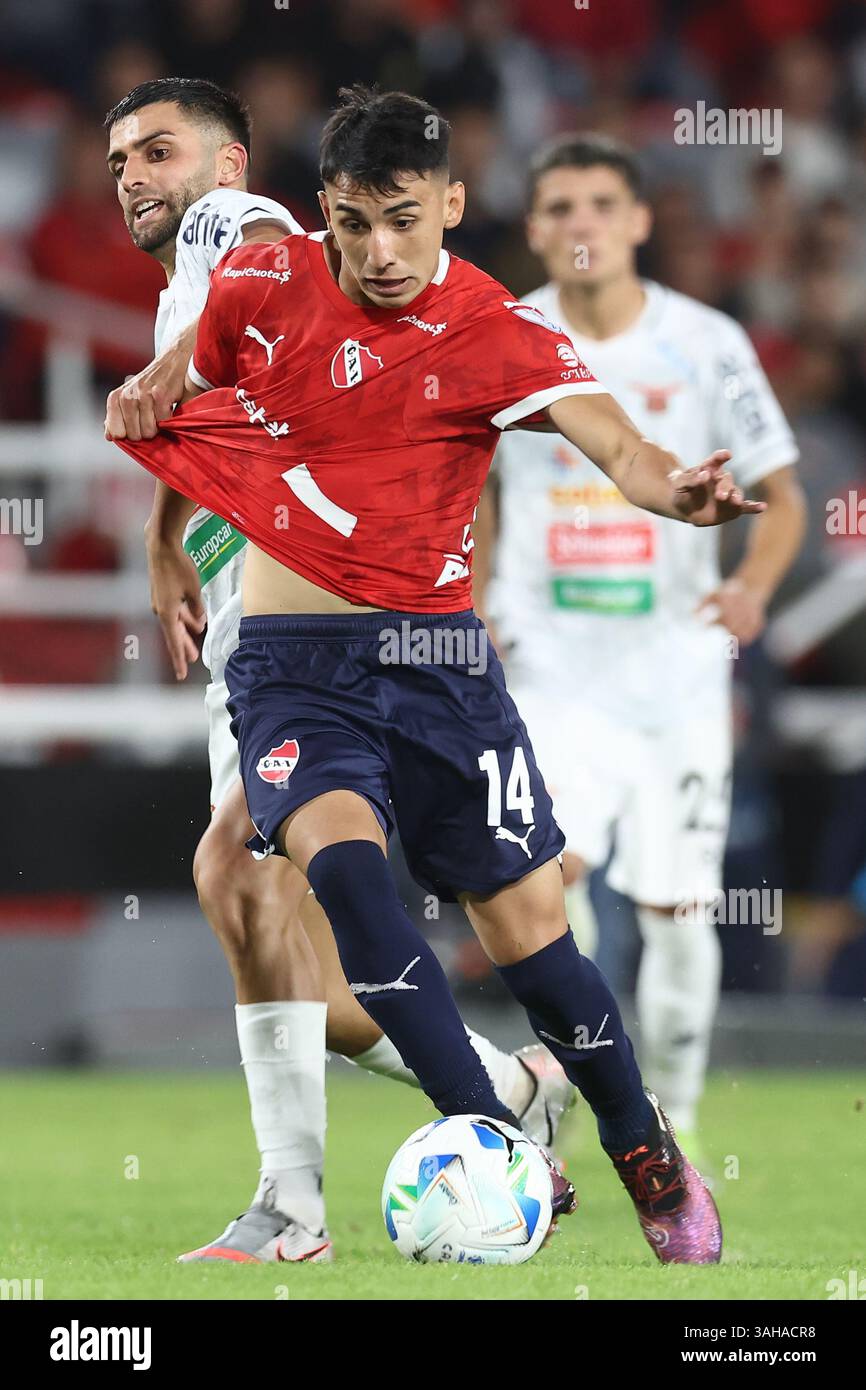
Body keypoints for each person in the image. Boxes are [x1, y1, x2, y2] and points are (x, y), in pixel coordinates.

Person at [111, 86, 771, 1263]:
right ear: (322, 213)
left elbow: (620, 449)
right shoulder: (261, 288)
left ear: (453, 206)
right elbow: (206, 400)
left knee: (538, 951)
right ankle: (482, 1132)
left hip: (436, 665)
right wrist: (166, 535)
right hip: (293, 667)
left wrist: (681, 492)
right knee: (352, 888)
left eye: (404, 220)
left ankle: (638, 1145)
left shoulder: (497, 331)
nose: (379, 252)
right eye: (355, 222)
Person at [104, 76, 571, 1266]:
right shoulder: (192, 308)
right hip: (256, 629)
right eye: (118, 161)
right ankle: (504, 1090)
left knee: (240, 875)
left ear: (227, 167)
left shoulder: (240, 231)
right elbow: (211, 384)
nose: (134, 176)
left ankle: (292, 1209)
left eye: (161, 151)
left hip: (312, 636)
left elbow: (267, 244)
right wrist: (166, 535)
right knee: (281, 936)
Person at [477, 135, 805, 1147]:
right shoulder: (500, 333)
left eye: (599, 204)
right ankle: (571, 1099)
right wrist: (480, 585)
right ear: (534, 227)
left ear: (635, 222)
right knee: (545, 881)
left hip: (671, 670)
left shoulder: (704, 342)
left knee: (676, 911)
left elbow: (783, 497)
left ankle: (679, 1124)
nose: (580, 223)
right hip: (546, 663)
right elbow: (472, 477)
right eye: (560, 207)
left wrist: (748, 588)